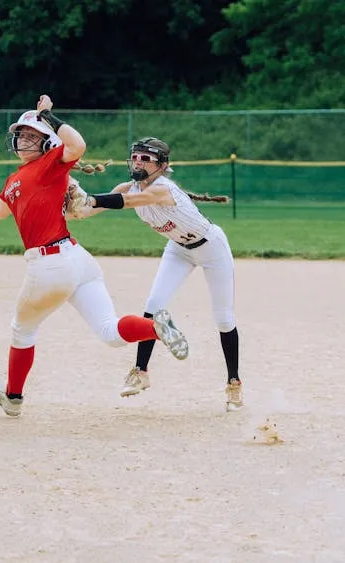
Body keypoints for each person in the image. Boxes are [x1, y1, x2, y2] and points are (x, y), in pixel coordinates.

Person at [0, 96, 189, 417]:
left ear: (47, 144)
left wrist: (47, 115)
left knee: (22, 330)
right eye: (21, 135)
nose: (22, 139)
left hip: (49, 265)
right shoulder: (17, 178)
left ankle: (13, 398)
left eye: (32, 136)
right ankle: (155, 329)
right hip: (77, 260)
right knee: (109, 332)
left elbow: (78, 145)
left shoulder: (51, 164)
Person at [74, 137, 243, 412]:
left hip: (211, 248)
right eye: (136, 157)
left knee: (223, 318)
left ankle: (234, 382)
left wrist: (91, 197)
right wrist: (66, 203)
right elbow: (83, 212)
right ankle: (141, 371)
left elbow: (123, 202)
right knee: (153, 306)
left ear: (162, 166)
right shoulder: (128, 188)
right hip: (178, 249)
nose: (138, 162)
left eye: (146, 158)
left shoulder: (162, 189)